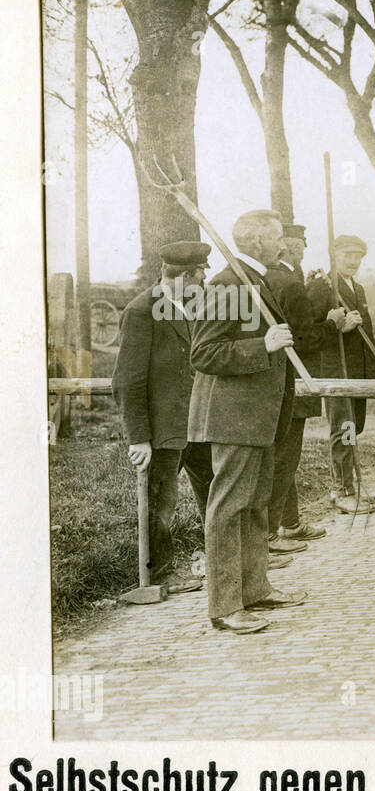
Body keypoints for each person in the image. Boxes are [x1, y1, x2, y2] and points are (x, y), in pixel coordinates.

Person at [188, 209, 306, 634]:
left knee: (256, 504)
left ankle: (255, 589)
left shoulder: (254, 281)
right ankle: (224, 606)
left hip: (259, 416)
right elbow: (204, 353)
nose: (284, 244)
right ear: (256, 242)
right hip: (234, 417)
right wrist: (265, 344)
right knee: (229, 507)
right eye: (276, 237)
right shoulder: (227, 285)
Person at [111, 240, 213, 594]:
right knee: (161, 503)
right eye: (199, 278)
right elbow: (128, 379)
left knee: (216, 490)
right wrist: (138, 436)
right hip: (163, 430)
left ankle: (223, 556)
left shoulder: (193, 306)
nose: (202, 285)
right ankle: (160, 573)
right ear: (184, 277)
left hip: (200, 423)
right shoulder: (142, 311)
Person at [305, 234, 375, 514]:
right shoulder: (321, 287)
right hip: (335, 370)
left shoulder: (357, 288)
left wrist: (374, 370)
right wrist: (338, 327)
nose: (353, 261)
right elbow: (309, 336)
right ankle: (342, 490)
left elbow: (367, 332)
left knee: (354, 427)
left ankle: (353, 485)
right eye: (346, 254)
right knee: (344, 428)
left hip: (357, 372)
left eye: (357, 255)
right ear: (333, 255)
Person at [265, 231, 326, 551]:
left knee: (282, 454)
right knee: (285, 457)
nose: (303, 250)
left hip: (270, 379)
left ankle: (289, 522)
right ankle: (271, 533)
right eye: (301, 245)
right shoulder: (288, 283)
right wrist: (333, 324)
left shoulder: (263, 277)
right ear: (290, 248)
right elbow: (306, 339)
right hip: (295, 380)